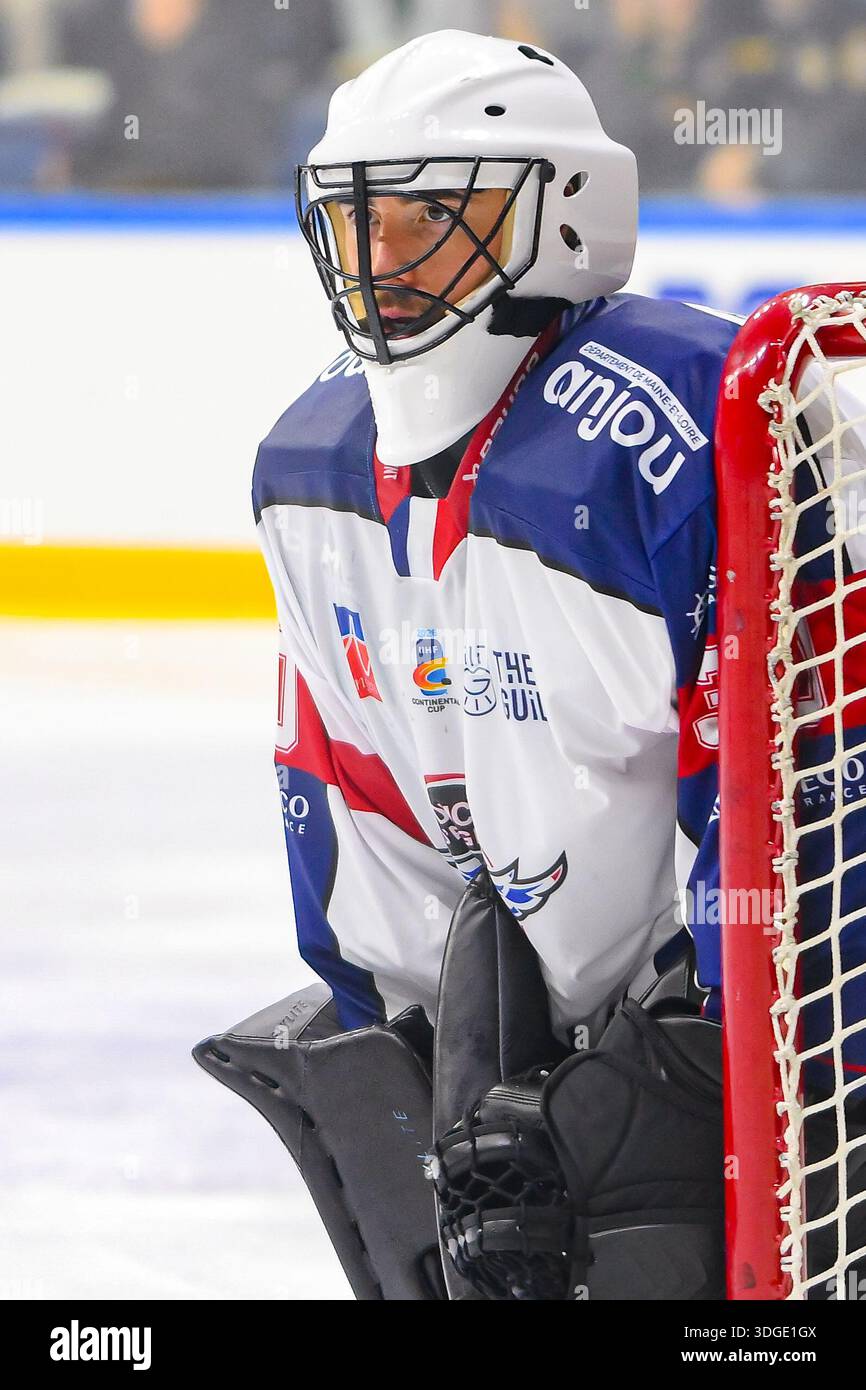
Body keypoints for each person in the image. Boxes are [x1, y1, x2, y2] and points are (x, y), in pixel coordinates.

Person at [194, 29, 866, 1301]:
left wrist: (681, 1062)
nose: (376, 265)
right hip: (543, 1035)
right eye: (356, 228)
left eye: (421, 223)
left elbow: (799, 783)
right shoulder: (313, 463)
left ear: (559, 218)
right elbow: (350, 788)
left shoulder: (681, 432)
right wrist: (407, 1053)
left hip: (733, 1049)